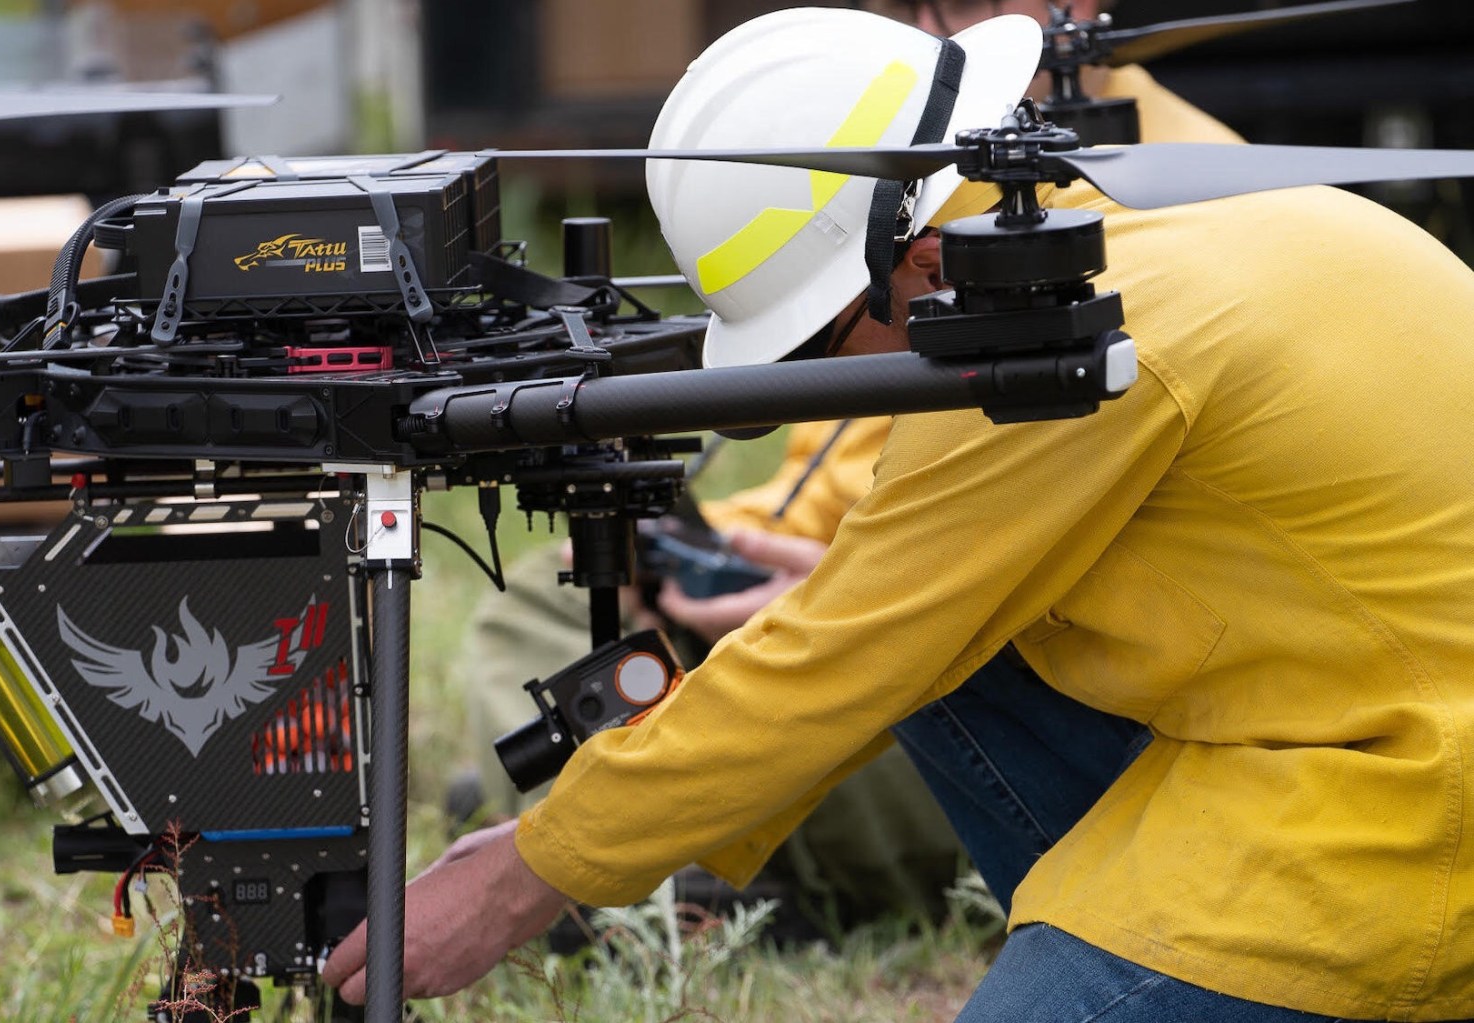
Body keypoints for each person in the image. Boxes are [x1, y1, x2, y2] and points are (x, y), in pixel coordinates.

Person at [328, 7, 1474, 1020]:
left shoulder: (1069, 350)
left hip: (1403, 824)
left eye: (821, 340)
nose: (832, 381)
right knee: (934, 651)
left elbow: (838, 664)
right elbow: (881, 632)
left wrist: (527, 873)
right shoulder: (1176, 237)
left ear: (918, 260)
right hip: (1345, 725)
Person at [455, 0, 1245, 935]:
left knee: (877, 680)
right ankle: (667, 849)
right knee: (554, 601)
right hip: (873, 581)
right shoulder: (896, 174)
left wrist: (542, 862)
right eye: (913, 6)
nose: (938, 23)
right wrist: (734, 555)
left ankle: (687, 871)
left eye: (966, 5)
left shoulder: (1114, 243)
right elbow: (862, 514)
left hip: (996, 620)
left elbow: (929, 584)